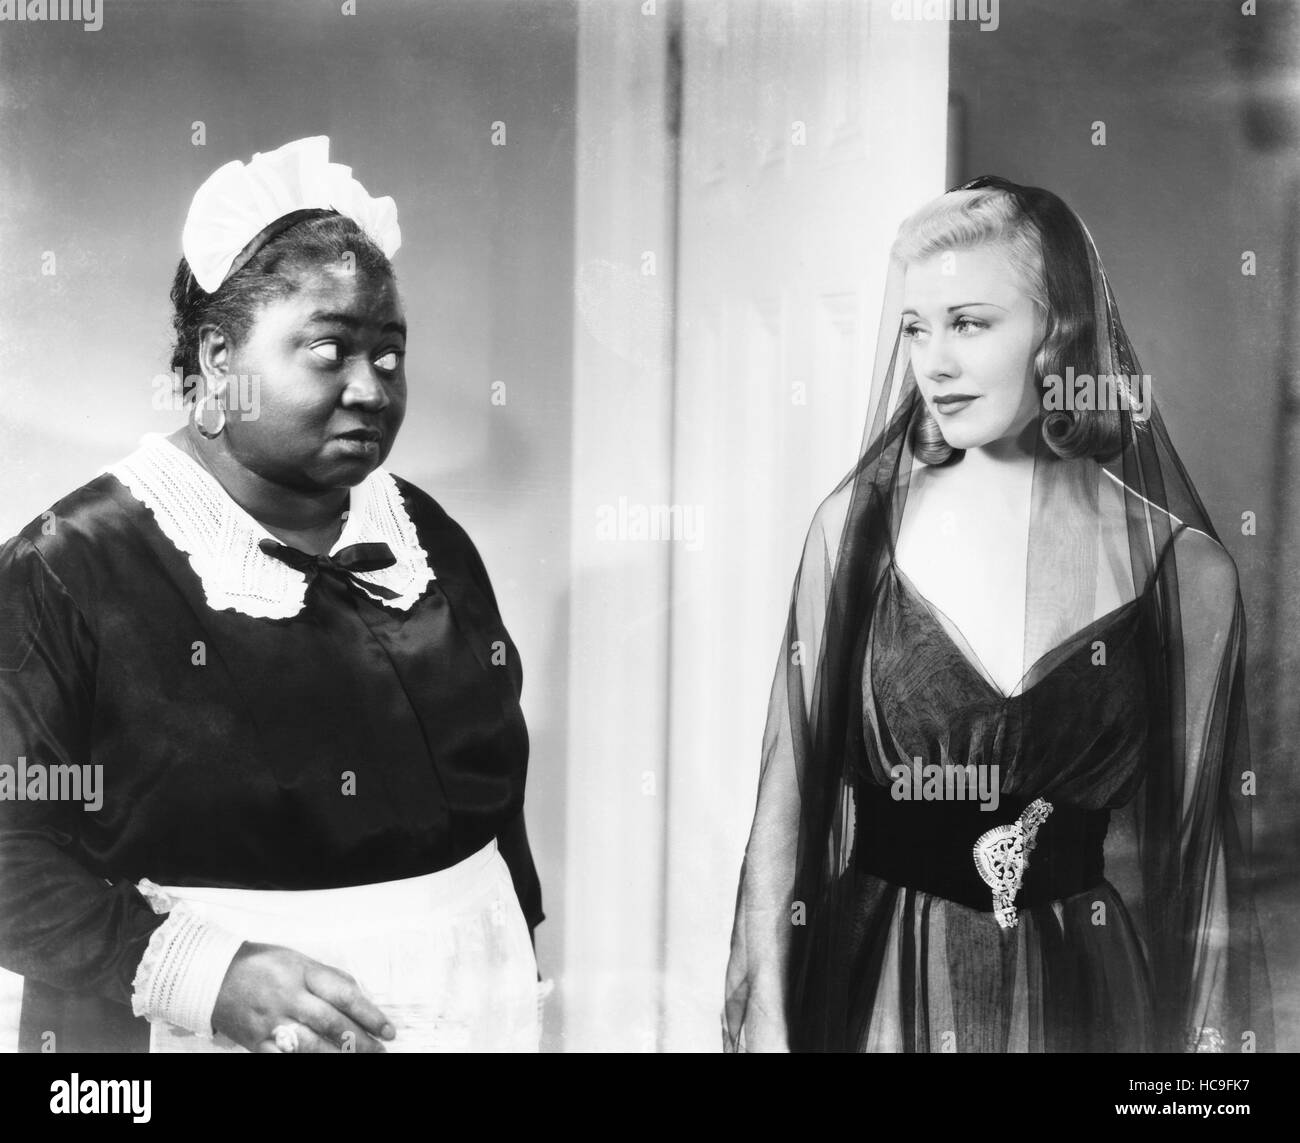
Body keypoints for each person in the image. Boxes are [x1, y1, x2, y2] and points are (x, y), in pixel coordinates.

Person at [0, 136, 544, 1053]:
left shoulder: (425, 536)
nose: (371, 388)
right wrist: (208, 976)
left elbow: (498, 789)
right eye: (329, 350)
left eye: (390, 353)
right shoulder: (72, 565)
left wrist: (519, 946)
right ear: (219, 360)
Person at [723, 176, 1272, 1053]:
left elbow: (1201, 870)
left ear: (1060, 333)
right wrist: (770, 1025)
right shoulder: (857, 532)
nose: (932, 362)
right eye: (914, 326)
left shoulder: (1188, 573)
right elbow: (785, 802)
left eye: (969, 322)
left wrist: (1202, 1085)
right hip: (878, 987)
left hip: (1085, 1001)